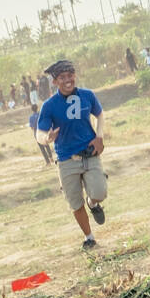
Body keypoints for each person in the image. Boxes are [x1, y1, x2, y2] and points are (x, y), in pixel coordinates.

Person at [34, 59, 107, 251]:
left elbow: (100, 115)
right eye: (62, 77)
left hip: (90, 154)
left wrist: (99, 137)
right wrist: (47, 138)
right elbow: (39, 134)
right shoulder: (49, 106)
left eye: (70, 75)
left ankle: (93, 203)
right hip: (66, 159)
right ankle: (89, 237)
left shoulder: (87, 95)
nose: (68, 80)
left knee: (100, 192)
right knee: (75, 203)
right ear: (55, 82)